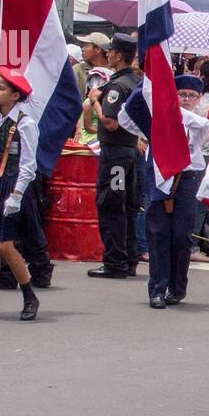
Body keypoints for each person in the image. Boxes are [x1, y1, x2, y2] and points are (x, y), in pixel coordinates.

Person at [117, 74, 209, 308]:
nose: (187, 99)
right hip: (160, 176)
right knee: (158, 234)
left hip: (186, 178)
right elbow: (125, 118)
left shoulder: (197, 118)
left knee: (181, 235)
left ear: (199, 98)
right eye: (181, 95)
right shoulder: (157, 116)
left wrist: (169, 110)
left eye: (192, 95)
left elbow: (202, 129)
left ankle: (177, 288)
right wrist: (150, 89)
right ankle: (157, 289)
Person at [0, 69, 41, 322]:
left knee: (5, 244)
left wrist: (17, 194)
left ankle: (30, 295)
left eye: (1, 88)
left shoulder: (25, 122)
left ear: (15, 95)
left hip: (12, 185)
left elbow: (28, 164)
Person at [87, 34, 142, 278]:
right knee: (128, 205)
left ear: (119, 56)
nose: (107, 54)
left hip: (116, 153)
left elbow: (110, 122)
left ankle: (115, 261)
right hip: (129, 151)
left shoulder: (117, 86)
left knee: (111, 203)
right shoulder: (135, 81)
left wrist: (95, 102)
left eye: (110, 51)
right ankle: (128, 258)